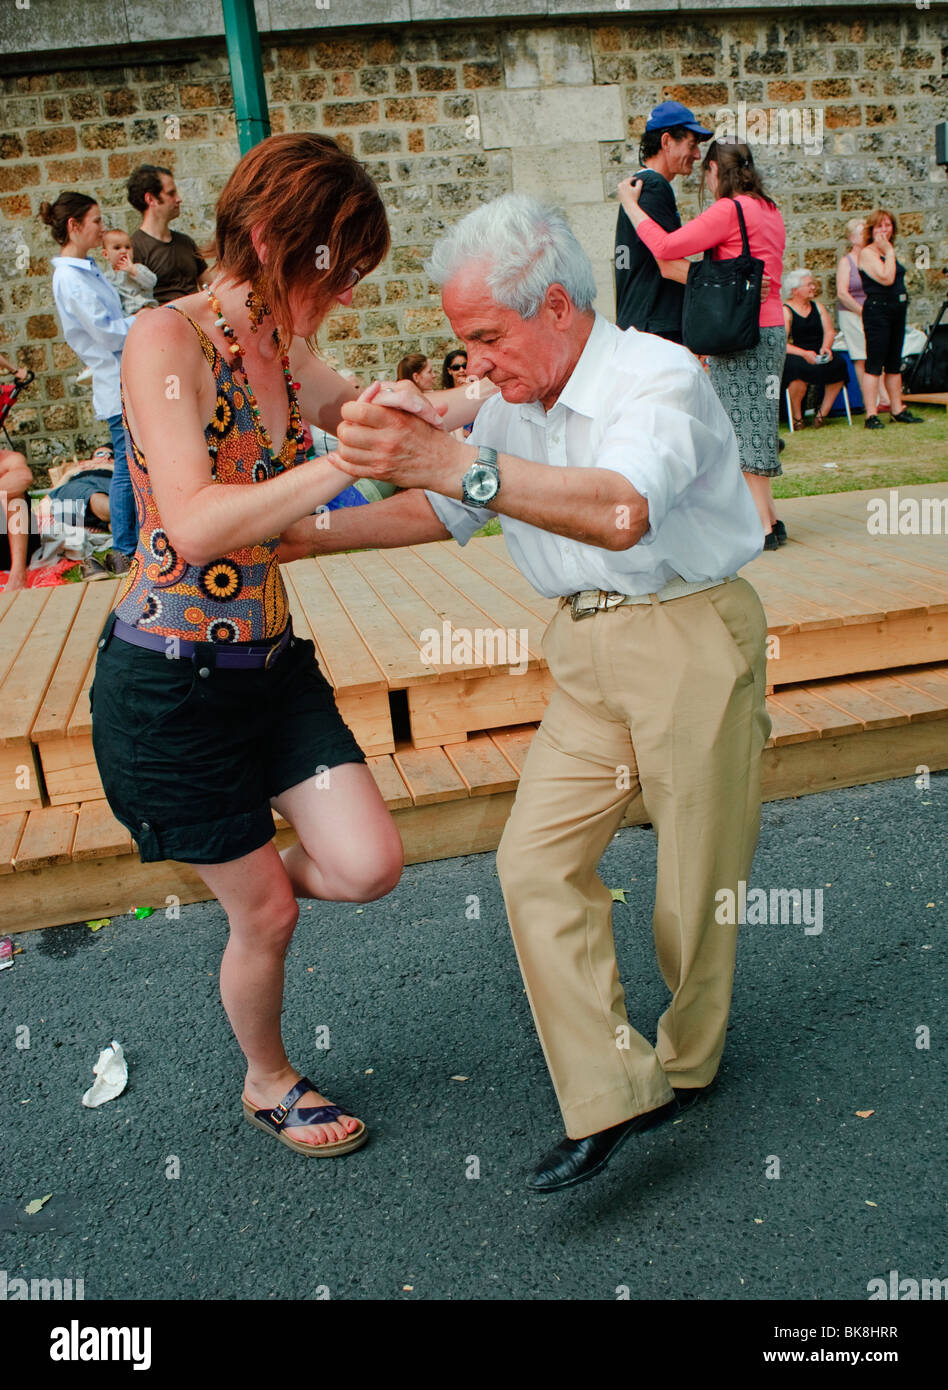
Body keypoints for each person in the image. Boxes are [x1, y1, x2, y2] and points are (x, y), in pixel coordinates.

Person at [279, 193, 772, 1193]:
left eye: (485, 338)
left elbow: (623, 508)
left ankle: (688, 1058)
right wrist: (304, 532)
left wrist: (455, 453)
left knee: (692, 888)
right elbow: (440, 508)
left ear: (555, 306)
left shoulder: (656, 377)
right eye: (464, 345)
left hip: (686, 634)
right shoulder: (510, 404)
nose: (476, 365)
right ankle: (617, 1092)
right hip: (584, 650)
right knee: (532, 865)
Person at [91, 133, 488, 1159]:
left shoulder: (285, 343)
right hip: (166, 687)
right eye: (336, 267)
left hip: (269, 667)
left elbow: (389, 416)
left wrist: (494, 388)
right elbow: (193, 520)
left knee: (366, 865)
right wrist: (339, 462)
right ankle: (269, 1077)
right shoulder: (163, 341)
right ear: (270, 238)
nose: (347, 293)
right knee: (267, 913)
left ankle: (227, 861)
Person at [619, 140, 788, 551]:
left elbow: (664, 248)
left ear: (715, 170)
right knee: (755, 421)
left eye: (706, 173)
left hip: (739, 332)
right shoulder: (770, 210)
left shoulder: (730, 210)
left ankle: (763, 524)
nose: (705, 181)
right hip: (771, 328)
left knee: (739, 426)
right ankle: (768, 517)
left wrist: (630, 204)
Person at [40, 191, 138, 571]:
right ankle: (125, 548)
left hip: (124, 377)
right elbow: (108, 333)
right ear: (74, 226)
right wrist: (144, 319)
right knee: (126, 469)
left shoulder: (87, 269)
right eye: (96, 221)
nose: (101, 228)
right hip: (114, 381)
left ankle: (130, 544)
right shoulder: (70, 278)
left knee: (133, 465)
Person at [613, 101, 712, 341]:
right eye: (692, 144)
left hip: (640, 326)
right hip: (656, 330)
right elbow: (668, 265)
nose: (698, 155)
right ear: (666, 141)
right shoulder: (654, 186)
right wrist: (730, 285)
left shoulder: (639, 187)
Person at [857, 209, 923, 430]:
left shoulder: (889, 251)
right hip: (878, 310)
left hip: (897, 308)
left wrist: (889, 251)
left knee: (894, 362)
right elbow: (886, 278)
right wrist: (889, 251)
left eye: (888, 225)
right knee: (875, 362)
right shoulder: (868, 253)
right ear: (872, 230)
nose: (884, 230)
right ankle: (871, 413)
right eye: (879, 226)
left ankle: (897, 408)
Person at [128, 164, 208, 305]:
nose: (178, 199)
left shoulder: (186, 242)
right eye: (171, 193)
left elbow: (210, 285)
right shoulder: (134, 248)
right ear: (150, 199)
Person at [781, 269, 849, 429]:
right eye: (809, 285)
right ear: (795, 290)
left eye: (813, 284)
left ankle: (821, 415)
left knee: (839, 365)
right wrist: (804, 354)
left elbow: (829, 331)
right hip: (797, 352)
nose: (813, 288)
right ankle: (798, 418)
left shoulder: (818, 307)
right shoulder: (786, 310)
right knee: (795, 370)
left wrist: (826, 348)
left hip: (818, 351)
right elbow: (781, 344)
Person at [836, 218, 890, 412]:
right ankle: (873, 401)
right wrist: (862, 312)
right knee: (861, 357)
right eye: (861, 233)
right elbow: (842, 293)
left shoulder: (873, 256)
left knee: (878, 354)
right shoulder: (846, 261)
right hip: (853, 314)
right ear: (852, 238)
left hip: (873, 312)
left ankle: (885, 397)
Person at [0, 351, 33, 591]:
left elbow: (24, 477)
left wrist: (13, 370)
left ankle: (18, 573)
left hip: (7, 545)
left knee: (16, 499)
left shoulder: (8, 459)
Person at [100, 228, 158, 314]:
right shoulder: (106, 277)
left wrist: (134, 271)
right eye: (117, 248)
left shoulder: (138, 268)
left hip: (145, 309)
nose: (124, 251)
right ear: (106, 254)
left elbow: (152, 282)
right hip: (125, 316)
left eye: (128, 247)